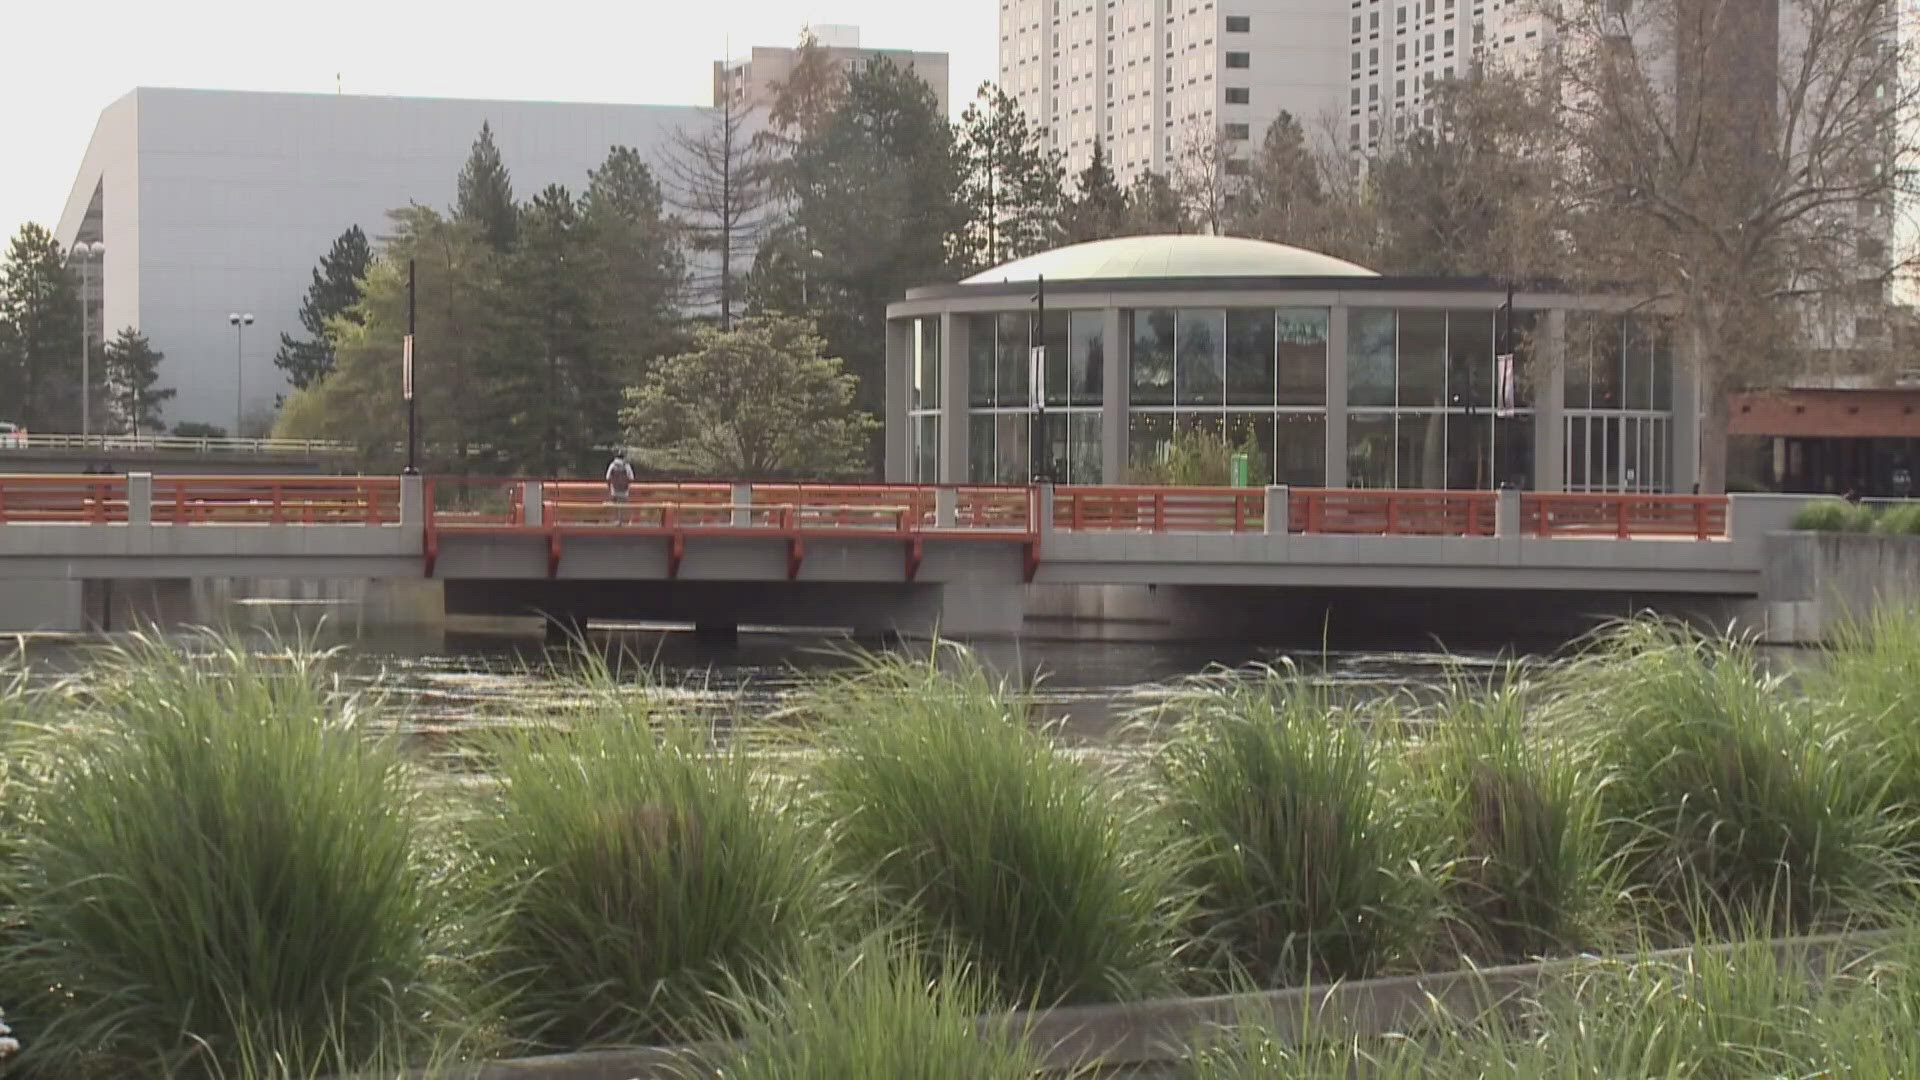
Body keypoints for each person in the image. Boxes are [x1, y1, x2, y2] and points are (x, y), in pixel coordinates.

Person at [605, 449, 634, 524]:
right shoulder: (626, 465)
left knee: (615, 506)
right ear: (623, 457)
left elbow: (607, 478)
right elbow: (631, 478)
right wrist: (626, 484)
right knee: (624, 506)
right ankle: (624, 522)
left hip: (614, 489)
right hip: (624, 490)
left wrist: (609, 489)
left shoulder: (612, 465)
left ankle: (615, 521)